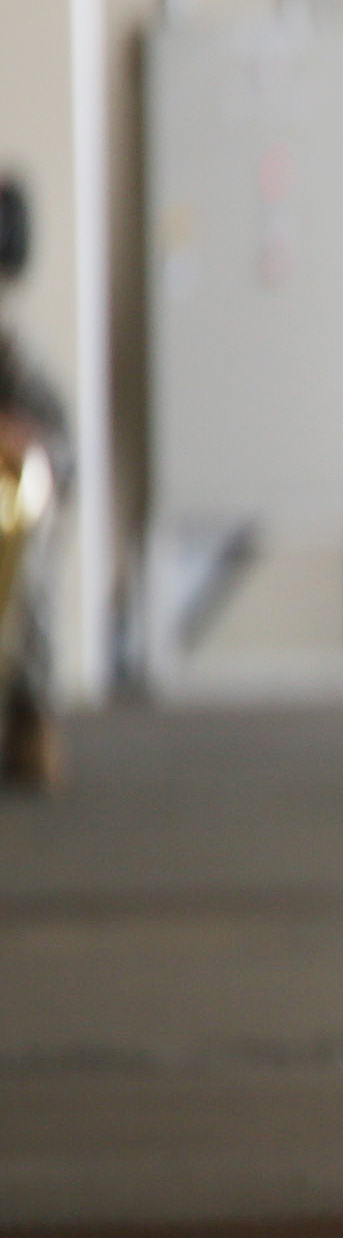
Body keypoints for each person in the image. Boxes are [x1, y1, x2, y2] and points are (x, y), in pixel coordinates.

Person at [0, 176, 71, 797]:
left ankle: (32, 714)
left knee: (32, 521)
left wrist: (26, 440)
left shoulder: (14, 347)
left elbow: (60, 442)